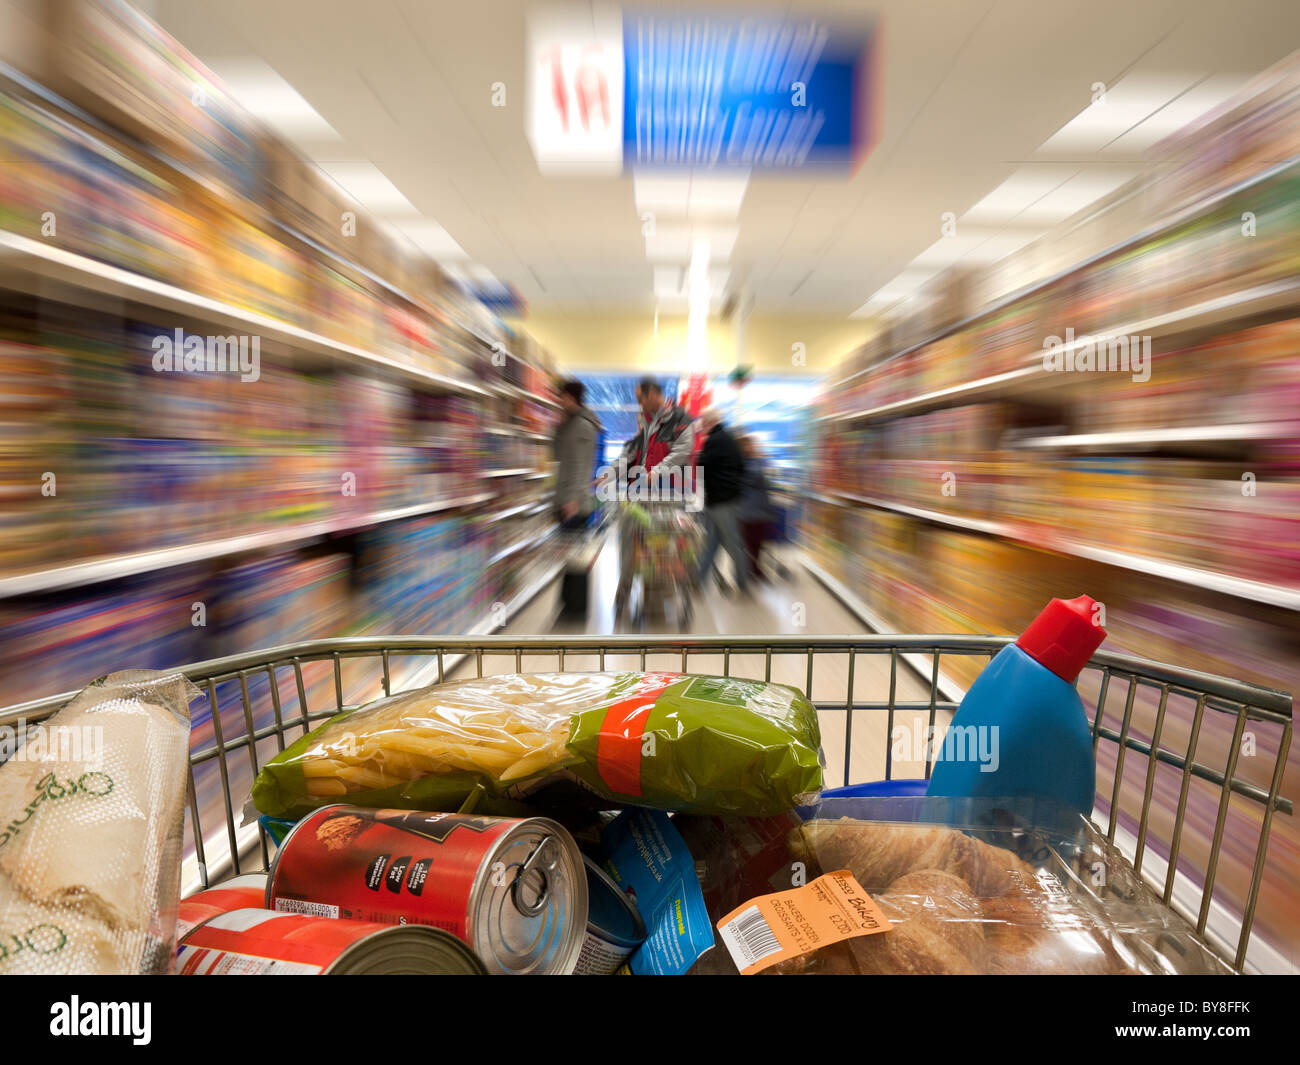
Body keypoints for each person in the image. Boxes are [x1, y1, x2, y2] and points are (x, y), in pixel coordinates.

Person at [613, 377, 695, 616]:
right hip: (640, 494)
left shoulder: (681, 420)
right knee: (631, 539)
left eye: (641, 399)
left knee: (667, 544)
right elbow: (632, 452)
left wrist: (655, 472)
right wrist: (612, 471)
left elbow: (682, 452)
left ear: (653, 395)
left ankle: (669, 591)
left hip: (668, 494)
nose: (639, 405)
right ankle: (626, 588)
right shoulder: (645, 421)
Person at [695, 409, 750, 595]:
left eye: (703, 424)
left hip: (721, 501)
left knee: (733, 544)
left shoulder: (714, 440)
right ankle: (698, 581)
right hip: (725, 499)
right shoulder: (730, 439)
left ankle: (743, 584)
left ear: (710, 423)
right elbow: (742, 468)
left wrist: (698, 457)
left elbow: (701, 466)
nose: (701, 428)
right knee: (712, 543)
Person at [552, 379, 602, 531]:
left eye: (561, 397)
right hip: (565, 500)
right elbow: (556, 455)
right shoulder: (569, 424)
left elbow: (581, 466)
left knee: (572, 552)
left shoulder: (582, 425)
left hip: (574, 505)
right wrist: (559, 428)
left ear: (570, 398)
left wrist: (572, 500)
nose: (559, 401)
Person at [737, 434, 773, 582]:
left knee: (754, 543)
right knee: (754, 543)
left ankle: (752, 569)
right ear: (744, 447)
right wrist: (758, 458)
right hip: (752, 511)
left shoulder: (748, 462)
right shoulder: (747, 463)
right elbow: (758, 477)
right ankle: (753, 571)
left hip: (754, 509)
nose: (753, 447)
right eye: (750, 444)